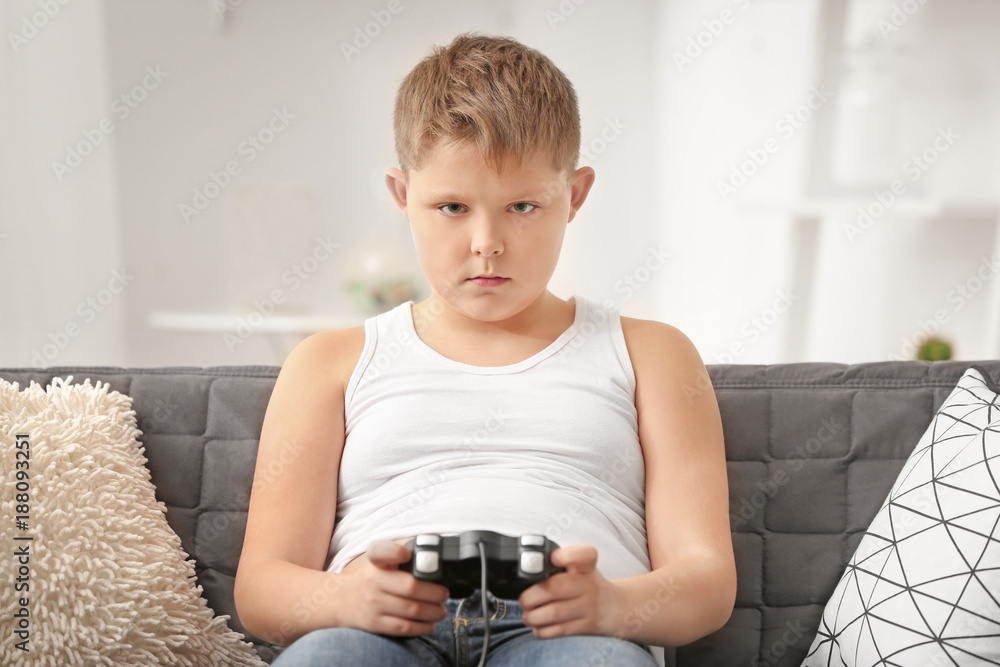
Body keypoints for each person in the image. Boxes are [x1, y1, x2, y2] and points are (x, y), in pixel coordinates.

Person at [233, 31, 736, 667]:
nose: (487, 242)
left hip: (572, 634)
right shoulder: (329, 362)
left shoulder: (650, 354)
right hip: (374, 629)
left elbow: (707, 582)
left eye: (523, 205)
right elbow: (262, 587)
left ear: (574, 196)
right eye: (451, 206)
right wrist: (344, 599)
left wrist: (613, 607)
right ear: (401, 197)